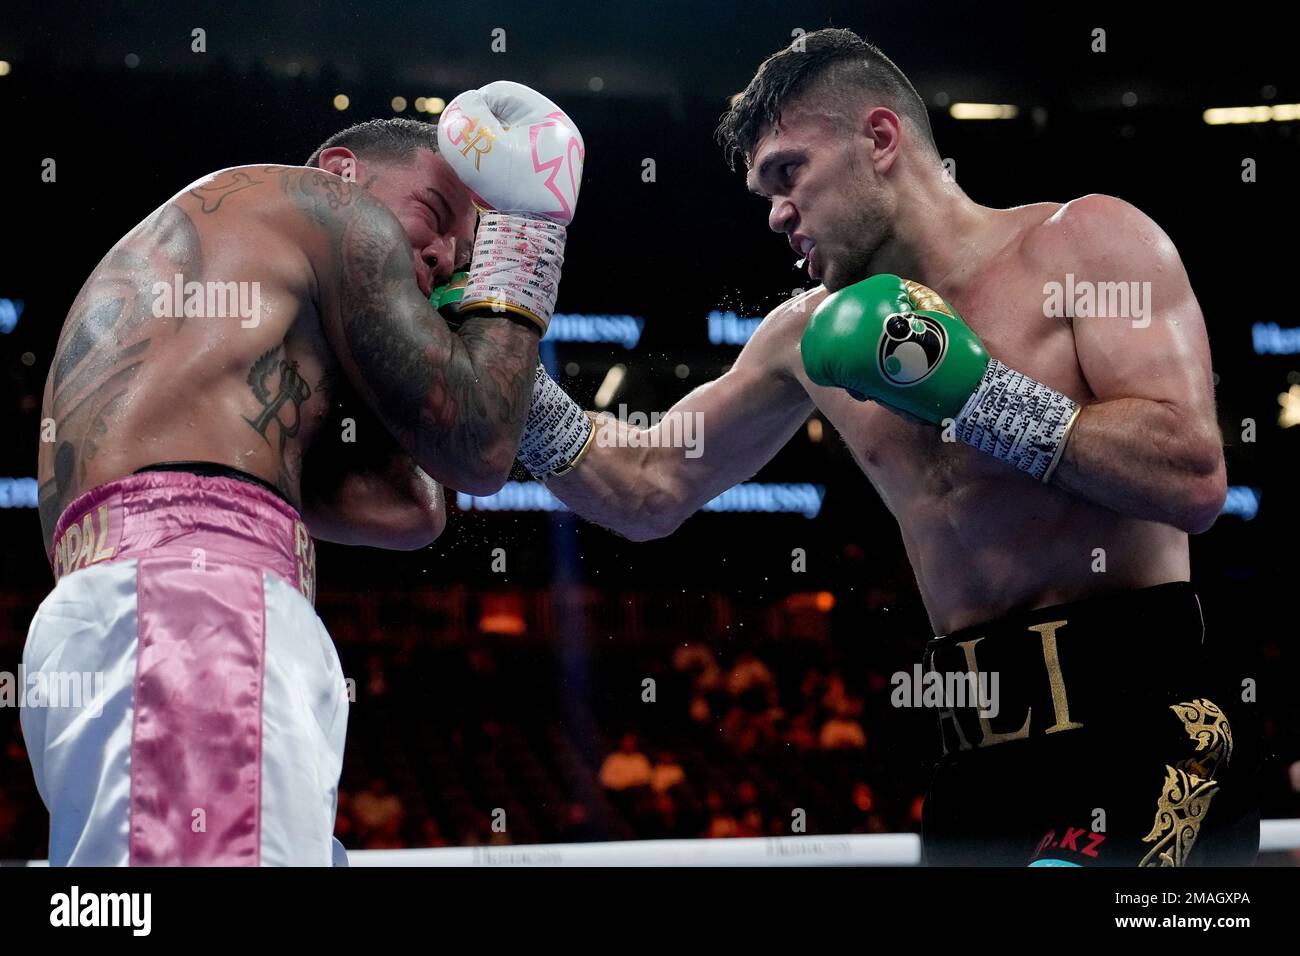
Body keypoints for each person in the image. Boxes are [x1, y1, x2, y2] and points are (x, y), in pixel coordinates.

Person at [511, 29, 1258, 866]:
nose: (775, 212)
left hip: (1144, 731)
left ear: (879, 139)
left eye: (788, 172)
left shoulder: (1084, 244)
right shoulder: (805, 339)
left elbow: (1192, 475)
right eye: (764, 189)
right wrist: (513, 376)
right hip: (975, 772)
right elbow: (647, 486)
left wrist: (976, 395)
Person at [25, 82, 584, 865]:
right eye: (434, 214)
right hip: (196, 620)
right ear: (342, 169)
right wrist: (524, 238)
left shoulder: (217, 345)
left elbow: (411, 508)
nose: (446, 256)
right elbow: (479, 448)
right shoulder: (324, 201)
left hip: (121, 616)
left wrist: (437, 323)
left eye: (467, 249)